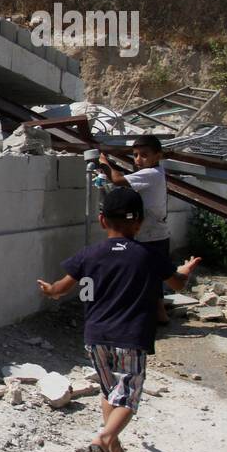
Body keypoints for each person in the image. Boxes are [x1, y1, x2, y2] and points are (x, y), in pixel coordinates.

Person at [36, 187, 200, 452]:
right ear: (138, 222)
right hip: (131, 337)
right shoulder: (149, 255)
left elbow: (60, 289)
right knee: (128, 397)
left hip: (95, 337)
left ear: (101, 220)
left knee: (110, 391)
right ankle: (102, 439)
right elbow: (177, 285)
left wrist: (49, 290)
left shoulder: (89, 254)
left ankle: (114, 451)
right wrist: (185, 270)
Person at [99, 134, 171, 324]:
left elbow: (117, 180)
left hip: (150, 235)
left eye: (144, 155)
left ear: (158, 156)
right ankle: (159, 314)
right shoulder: (157, 171)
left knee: (143, 275)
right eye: (136, 155)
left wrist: (103, 162)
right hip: (156, 232)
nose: (138, 160)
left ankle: (150, 315)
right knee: (153, 277)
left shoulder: (151, 174)